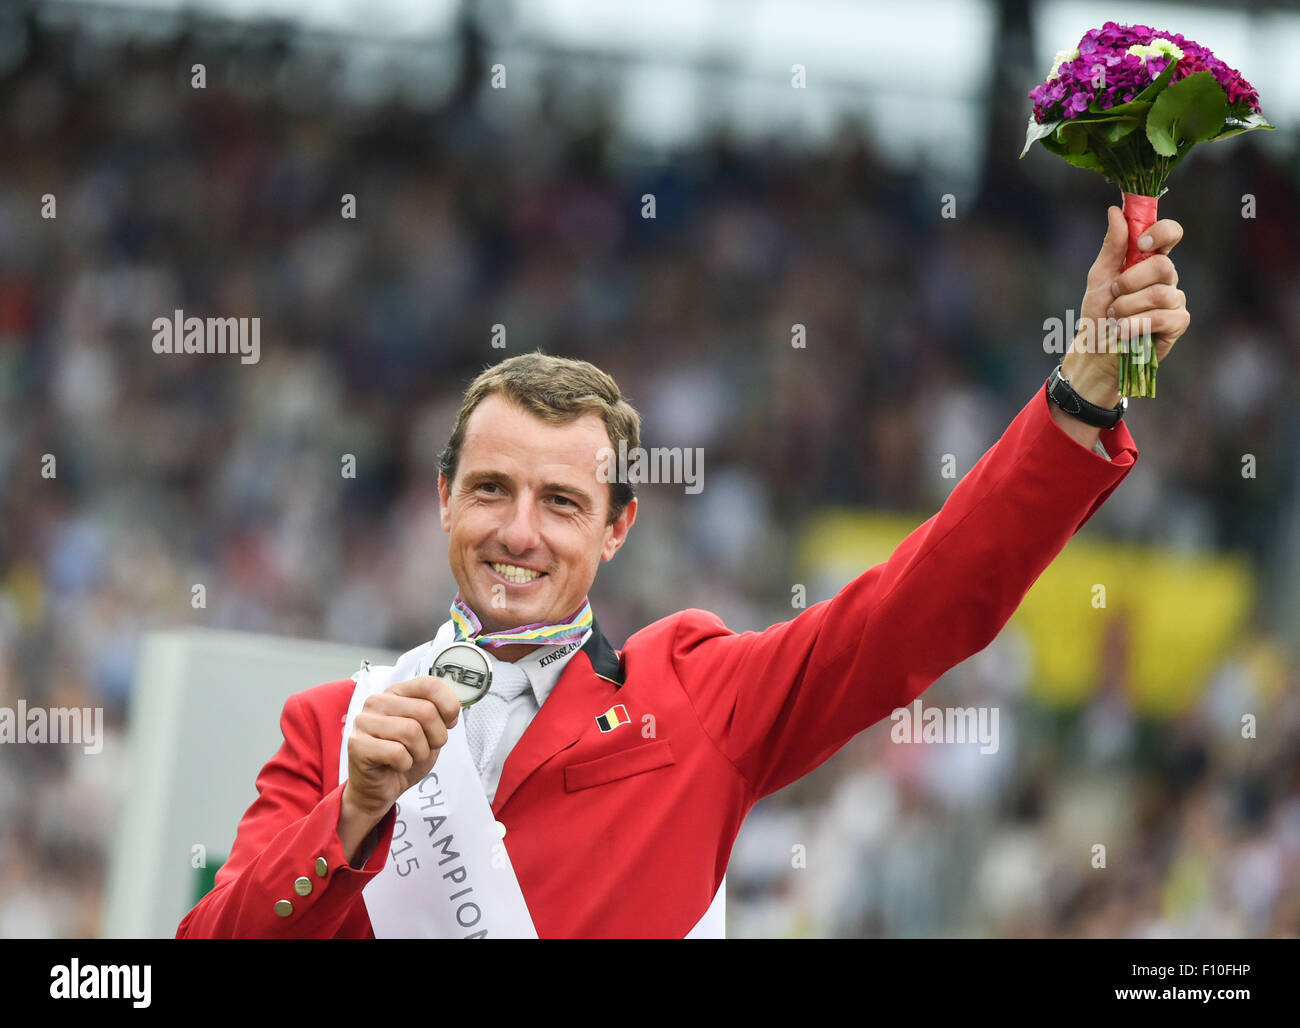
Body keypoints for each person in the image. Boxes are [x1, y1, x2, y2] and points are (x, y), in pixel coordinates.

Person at [176, 207, 1190, 938]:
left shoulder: (693, 692)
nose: (518, 531)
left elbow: (912, 612)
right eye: (490, 489)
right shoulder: (334, 729)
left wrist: (1079, 398)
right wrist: (352, 810)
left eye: (562, 502)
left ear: (617, 527)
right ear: (441, 498)